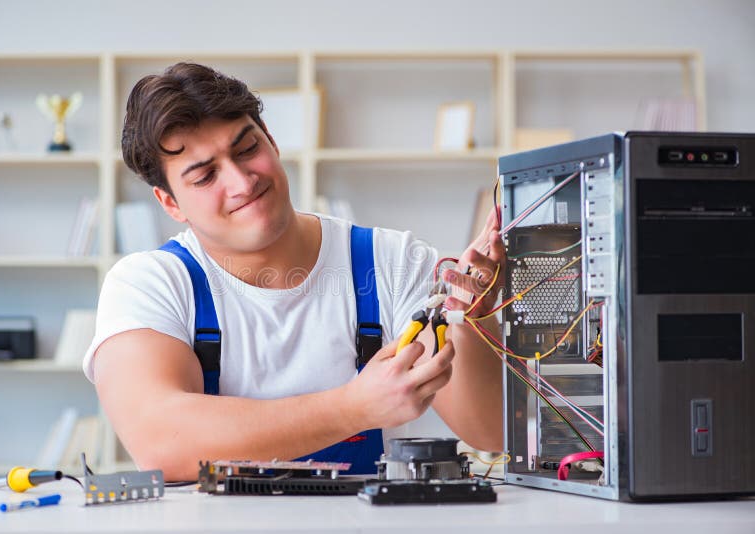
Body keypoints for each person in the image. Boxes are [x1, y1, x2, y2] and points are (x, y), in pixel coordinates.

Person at [83, 62, 505, 481]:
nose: (242, 182)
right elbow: (161, 442)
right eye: (206, 175)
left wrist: (472, 319)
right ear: (170, 203)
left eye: (247, 149)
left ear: (271, 141)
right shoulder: (150, 284)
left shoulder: (393, 261)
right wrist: (354, 407)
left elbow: (489, 431)